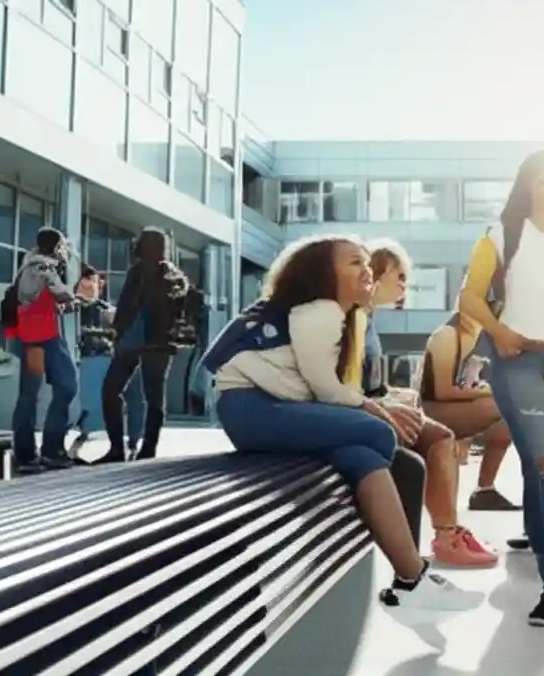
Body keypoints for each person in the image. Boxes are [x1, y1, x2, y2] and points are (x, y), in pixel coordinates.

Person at [205, 235, 482, 624]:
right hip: (251, 407)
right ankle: (406, 569)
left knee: (363, 456)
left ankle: (410, 581)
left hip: (280, 407)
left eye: (367, 262)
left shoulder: (336, 315)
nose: (366, 269)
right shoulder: (320, 311)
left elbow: (329, 392)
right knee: (380, 436)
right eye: (354, 262)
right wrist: (378, 411)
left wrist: (377, 407)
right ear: (323, 273)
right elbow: (326, 388)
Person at [459, 149, 544, 627]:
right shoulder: (502, 234)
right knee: (542, 465)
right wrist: (500, 334)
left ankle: (541, 526)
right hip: (518, 359)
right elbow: (468, 296)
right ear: (527, 185)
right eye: (542, 180)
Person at [352, 240, 499, 568]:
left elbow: (364, 382)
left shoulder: (367, 319)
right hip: (359, 415)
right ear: (376, 275)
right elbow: (344, 384)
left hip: (369, 408)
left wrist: (394, 393)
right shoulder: (355, 320)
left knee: (445, 436)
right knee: (443, 437)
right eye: (399, 275)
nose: (404, 284)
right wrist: (385, 402)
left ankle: (448, 532)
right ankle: (447, 535)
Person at [100, 228, 189, 463]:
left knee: (111, 391)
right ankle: (147, 450)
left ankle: (117, 449)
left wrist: (116, 333)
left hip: (134, 342)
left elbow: (125, 308)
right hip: (159, 343)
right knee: (154, 399)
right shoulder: (176, 277)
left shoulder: (139, 272)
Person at [420, 314, 519, 513]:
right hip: (431, 409)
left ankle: (485, 489)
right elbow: (442, 392)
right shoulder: (447, 336)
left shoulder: (481, 336)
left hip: (454, 406)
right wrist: (485, 391)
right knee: (502, 405)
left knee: (508, 420)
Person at [5, 227, 79, 473]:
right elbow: (51, 295)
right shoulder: (40, 266)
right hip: (37, 340)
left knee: (42, 391)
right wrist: (74, 298)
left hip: (43, 337)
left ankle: (38, 452)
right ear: (56, 246)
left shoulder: (34, 266)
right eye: (62, 247)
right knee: (48, 390)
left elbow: (41, 300)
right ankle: (37, 453)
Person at [71, 267, 145, 460]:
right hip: (89, 360)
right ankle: (121, 443)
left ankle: (131, 442)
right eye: (85, 281)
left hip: (112, 357)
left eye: (93, 281)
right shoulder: (73, 307)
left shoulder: (105, 309)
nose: (89, 285)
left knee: (131, 396)